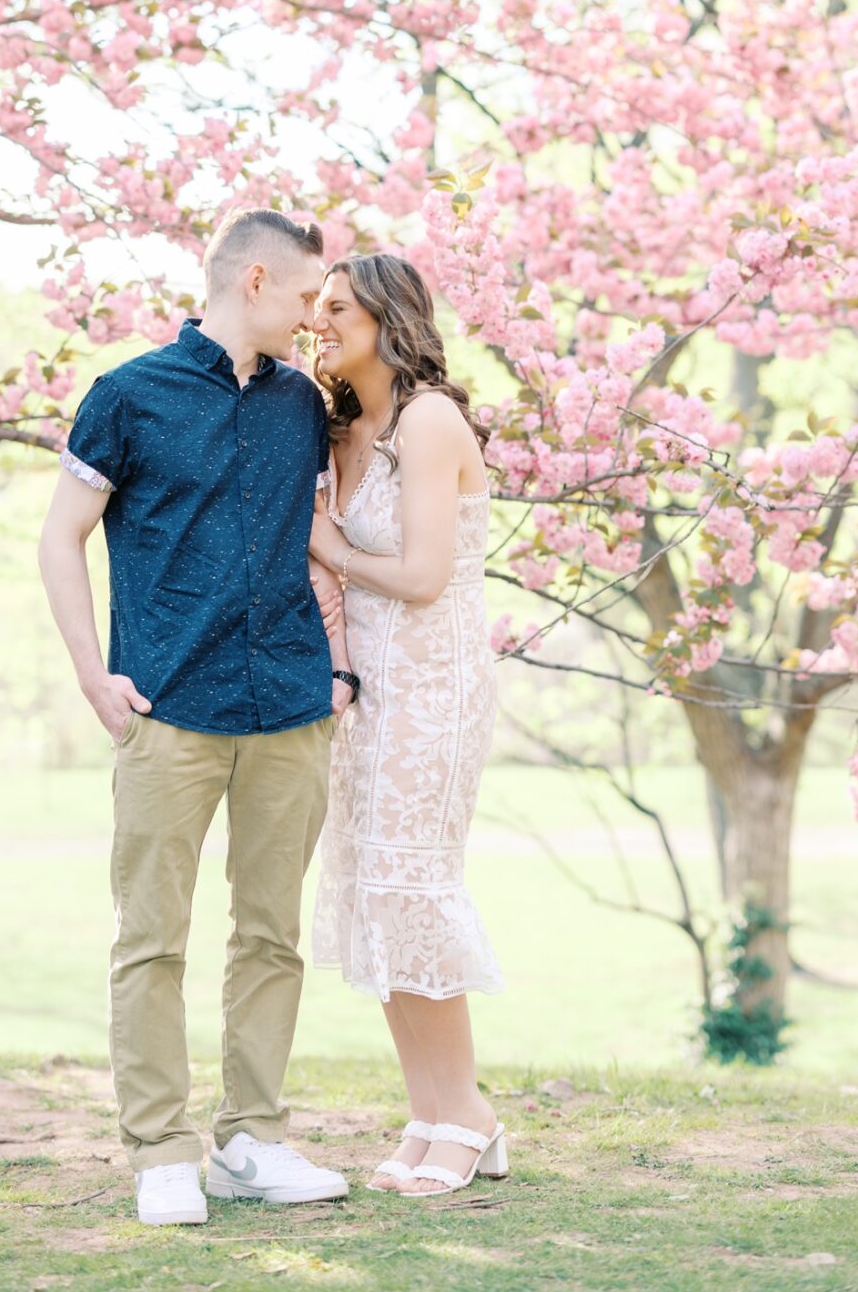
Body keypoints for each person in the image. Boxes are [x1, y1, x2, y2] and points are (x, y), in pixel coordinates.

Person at [38, 208, 357, 1227]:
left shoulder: (304, 403)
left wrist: (339, 670)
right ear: (253, 279)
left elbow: (318, 542)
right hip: (167, 707)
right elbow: (61, 538)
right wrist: (95, 676)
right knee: (152, 937)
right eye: (307, 295)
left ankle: (252, 1139)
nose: (315, 316)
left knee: (272, 935)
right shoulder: (126, 396)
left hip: (291, 706)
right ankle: (162, 1148)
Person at [306, 252, 507, 1198]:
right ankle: (431, 1111)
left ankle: (464, 1108)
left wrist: (335, 550)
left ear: (387, 317)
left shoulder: (428, 421)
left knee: (415, 885)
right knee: (375, 891)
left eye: (336, 307)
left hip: (435, 681)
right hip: (366, 688)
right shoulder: (347, 427)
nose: (320, 320)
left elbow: (425, 578)